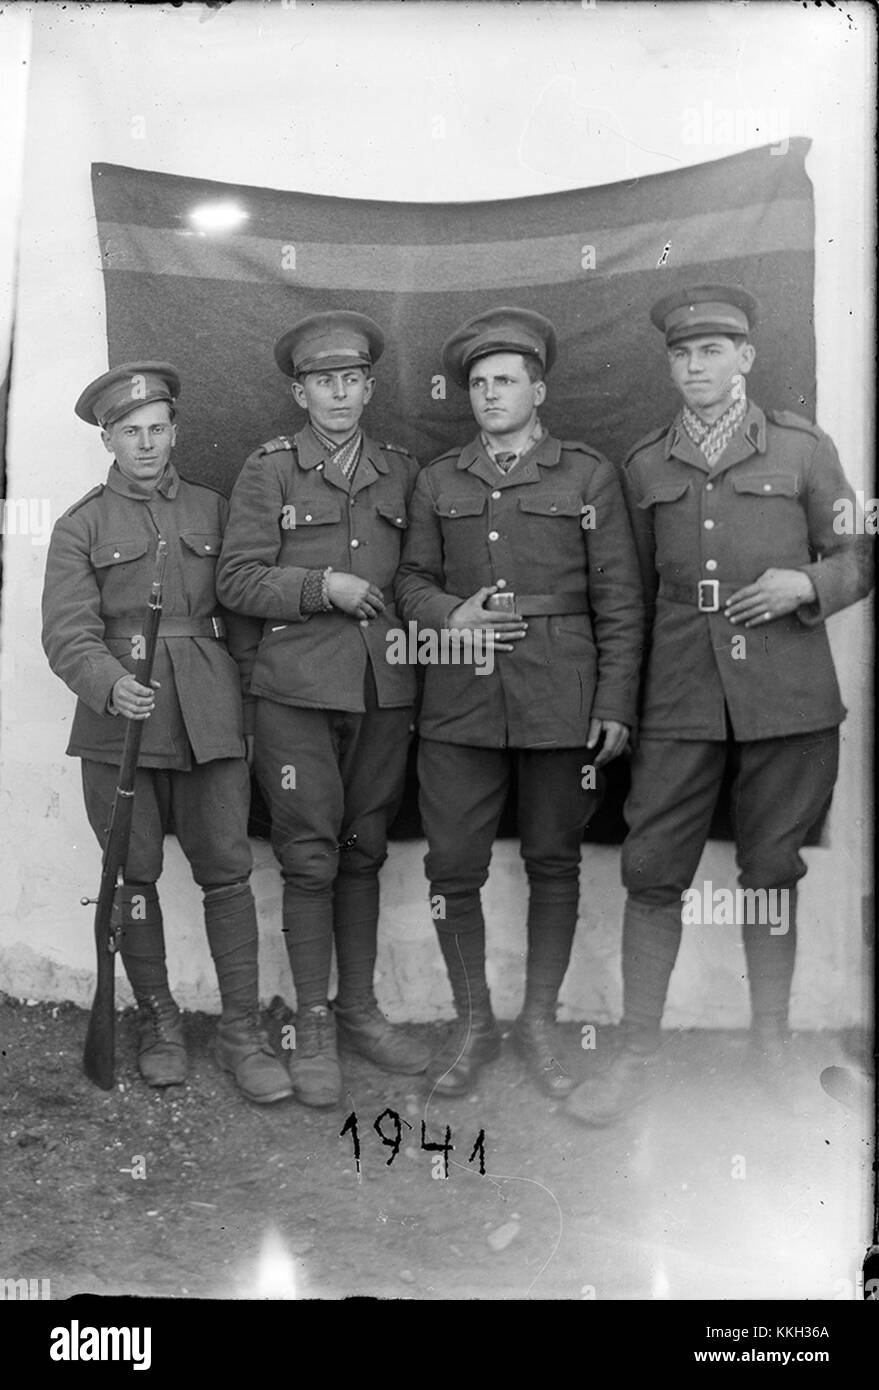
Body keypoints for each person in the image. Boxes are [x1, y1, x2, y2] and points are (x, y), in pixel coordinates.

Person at [566, 284, 874, 1125]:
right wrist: (619, 703)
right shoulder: (642, 465)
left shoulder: (804, 450)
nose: (694, 367)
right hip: (678, 695)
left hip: (786, 695)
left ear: (744, 357)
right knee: (650, 869)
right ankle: (633, 1055)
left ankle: (770, 1052)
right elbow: (623, 597)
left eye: (711, 351)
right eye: (680, 353)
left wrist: (802, 582)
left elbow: (858, 554)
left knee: (770, 872)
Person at [395, 306, 644, 1099]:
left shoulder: (586, 473)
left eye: (505, 380)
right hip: (459, 703)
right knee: (452, 868)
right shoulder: (438, 479)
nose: (490, 394)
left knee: (554, 863)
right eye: (477, 383)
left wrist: (613, 700)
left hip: (557, 698)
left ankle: (538, 1022)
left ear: (538, 388)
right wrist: (448, 616)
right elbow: (408, 584)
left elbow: (620, 598)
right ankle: (474, 1025)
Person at [42, 362, 292, 1104]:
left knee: (227, 869)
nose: (146, 444)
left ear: (174, 432)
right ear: (109, 440)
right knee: (136, 873)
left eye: (158, 430)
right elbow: (65, 633)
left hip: (210, 711)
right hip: (120, 722)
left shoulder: (218, 510)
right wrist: (108, 683)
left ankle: (242, 1033)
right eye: (130, 433)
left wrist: (249, 701)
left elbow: (245, 610)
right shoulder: (80, 524)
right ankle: (160, 1024)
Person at [216, 312, 431, 1108]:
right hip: (296, 694)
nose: (338, 394)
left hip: (384, 691)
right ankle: (310, 1022)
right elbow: (234, 580)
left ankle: (359, 1012)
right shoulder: (268, 470)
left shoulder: (403, 469)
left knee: (364, 849)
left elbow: (418, 573)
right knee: (308, 855)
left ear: (369, 387)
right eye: (322, 382)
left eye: (351, 380)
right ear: (297, 391)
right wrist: (320, 588)